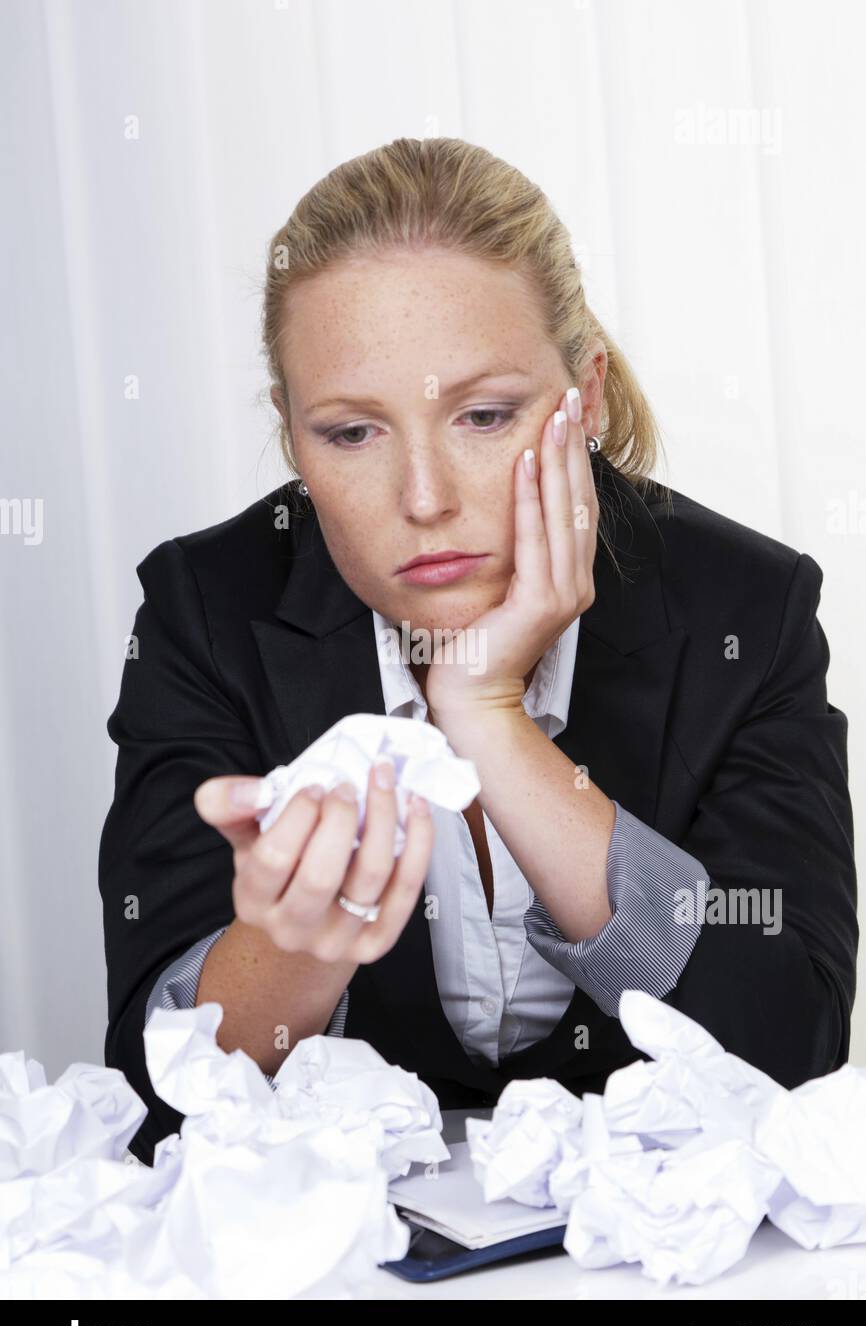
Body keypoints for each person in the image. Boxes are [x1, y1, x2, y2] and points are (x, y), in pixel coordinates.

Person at [99, 137, 857, 1166]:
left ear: (580, 397)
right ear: (290, 434)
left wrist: (489, 721)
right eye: (350, 433)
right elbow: (149, 1103)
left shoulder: (746, 611)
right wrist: (294, 942)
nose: (423, 499)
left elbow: (784, 1061)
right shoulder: (205, 613)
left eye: (484, 415)